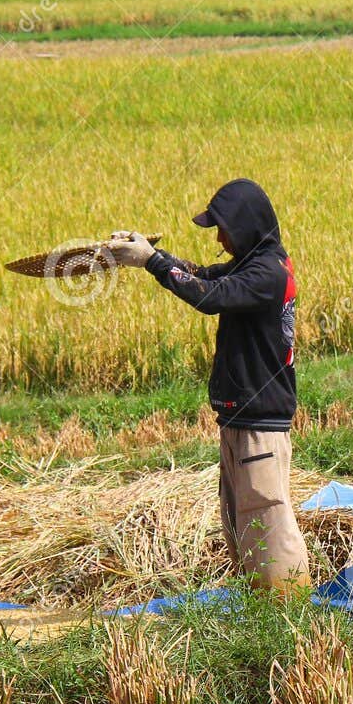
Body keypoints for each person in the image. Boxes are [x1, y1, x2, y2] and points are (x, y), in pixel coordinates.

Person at [108, 180, 311, 598]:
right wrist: (150, 255)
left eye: (223, 229)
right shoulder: (251, 264)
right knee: (242, 527)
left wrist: (151, 263)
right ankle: (262, 612)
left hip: (260, 425)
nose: (219, 239)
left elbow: (208, 295)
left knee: (268, 525)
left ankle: (293, 618)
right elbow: (201, 275)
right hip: (240, 419)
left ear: (246, 226)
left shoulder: (266, 274)